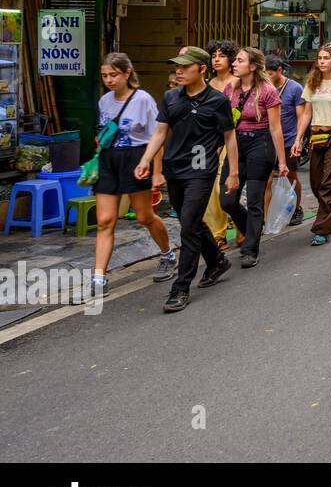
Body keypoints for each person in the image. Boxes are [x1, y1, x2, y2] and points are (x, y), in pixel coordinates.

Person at [135, 46, 239, 313]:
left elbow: (229, 137)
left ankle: (180, 288)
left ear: (202, 69)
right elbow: (160, 132)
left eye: (185, 67)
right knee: (189, 221)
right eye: (177, 67)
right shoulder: (171, 98)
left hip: (201, 171)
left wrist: (233, 172)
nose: (178, 72)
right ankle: (217, 260)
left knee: (188, 227)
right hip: (174, 169)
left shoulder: (217, 101)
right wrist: (146, 160)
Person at [89, 53, 174, 297]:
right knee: (105, 220)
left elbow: (156, 137)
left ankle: (167, 253)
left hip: (136, 158)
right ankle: (98, 278)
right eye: (105, 76)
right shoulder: (104, 101)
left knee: (145, 217)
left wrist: (157, 171)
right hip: (108, 159)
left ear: (127, 73)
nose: (109, 80)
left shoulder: (143, 100)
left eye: (113, 75)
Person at [219, 47, 288, 268]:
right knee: (227, 200)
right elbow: (223, 123)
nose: (234, 64)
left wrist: (283, 161)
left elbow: (276, 128)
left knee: (255, 200)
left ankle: (250, 249)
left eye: (239, 60)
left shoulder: (267, 90)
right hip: (236, 144)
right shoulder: (230, 89)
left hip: (261, 144)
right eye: (235, 60)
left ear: (252, 66)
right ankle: (251, 229)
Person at [294, 42, 331, 246]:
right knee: (316, 184)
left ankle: (322, 229)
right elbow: (306, 112)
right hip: (316, 136)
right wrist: (298, 138)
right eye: (320, 58)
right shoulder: (312, 82)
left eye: (326, 58)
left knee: (330, 183)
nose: (322, 61)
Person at [203, 39, 238, 249]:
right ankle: (217, 234)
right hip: (209, 141)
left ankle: (235, 221)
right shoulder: (207, 84)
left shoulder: (238, 82)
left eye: (221, 55)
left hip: (232, 140)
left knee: (221, 188)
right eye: (214, 56)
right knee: (208, 188)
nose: (216, 60)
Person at [266, 56, 306, 227]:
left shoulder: (295, 88)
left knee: (290, 176)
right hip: (267, 140)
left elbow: (301, 116)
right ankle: (265, 218)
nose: (266, 77)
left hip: (288, 139)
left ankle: (297, 208)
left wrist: (299, 139)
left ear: (279, 71)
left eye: (269, 73)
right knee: (266, 180)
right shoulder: (263, 88)